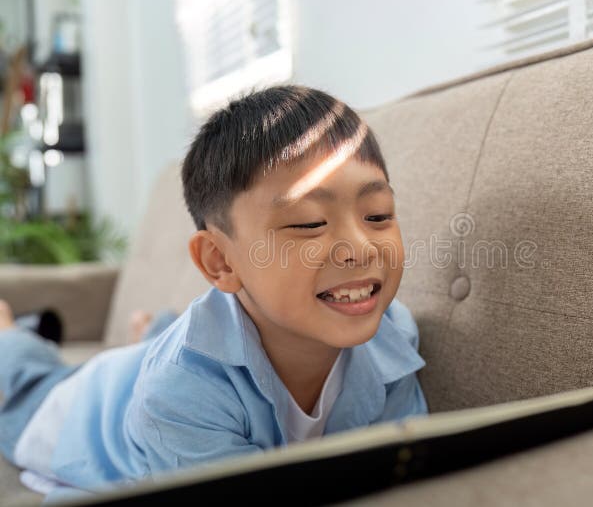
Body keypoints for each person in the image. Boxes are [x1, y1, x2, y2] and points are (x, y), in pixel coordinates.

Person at [0, 85, 428, 504]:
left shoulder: (392, 338)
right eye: (310, 223)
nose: (361, 248)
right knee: (27, 378)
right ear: (221, 262)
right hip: (78, 406)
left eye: (378, 215)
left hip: (170, 361)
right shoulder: (179, 393)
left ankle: (151, 334)